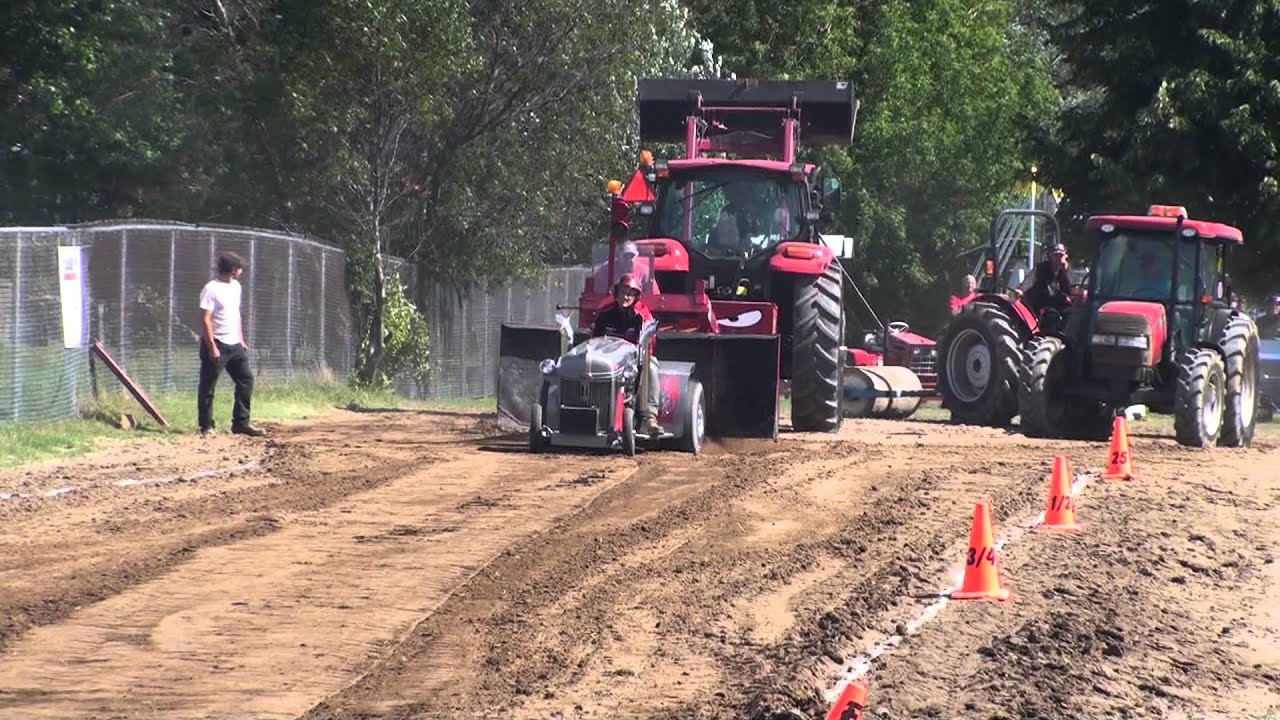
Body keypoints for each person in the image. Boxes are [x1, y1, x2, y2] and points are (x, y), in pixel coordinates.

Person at [197, 251, 264, 437]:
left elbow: (235, 314)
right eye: (240, 268)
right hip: (217, 343)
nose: (242, 271)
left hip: (235, 345)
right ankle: (206, 426)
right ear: (233, 270)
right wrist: (212, 347)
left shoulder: (236, 287)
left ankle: (241, 423)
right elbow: (205, 319)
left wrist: (241, 339)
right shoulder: (211, 289)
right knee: (208, 386)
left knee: (246, 379)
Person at [592, 274, 663, 436]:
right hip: (608, 359)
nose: (626, 297)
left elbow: (648, 343)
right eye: (623, 292)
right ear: (616, 293)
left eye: (630, 294)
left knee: (651, 366)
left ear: (636, 296)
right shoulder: (605, 313)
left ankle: (649, 416)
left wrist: (640, 354)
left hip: (634, 359)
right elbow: (594, 340)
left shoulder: (643, 315)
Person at [1014, 243, 1073, 315]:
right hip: (1040, 302)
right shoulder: (1041, 268)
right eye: (1055, 255)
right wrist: (1021, 289)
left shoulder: (1066, 271)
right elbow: (1030, 279)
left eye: (1061, 255)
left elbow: (1068, 289)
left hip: (1056, 303)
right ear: (1050, 256)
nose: (1058, 258)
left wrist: (1064, 270)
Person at [592, 240, 659, 295]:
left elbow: (654, 297)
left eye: (632, 256)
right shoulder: (605, 271)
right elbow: (599, 296)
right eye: (625, 256)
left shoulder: (645, 272)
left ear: (637, 256)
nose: (629, 259)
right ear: (618, 255)